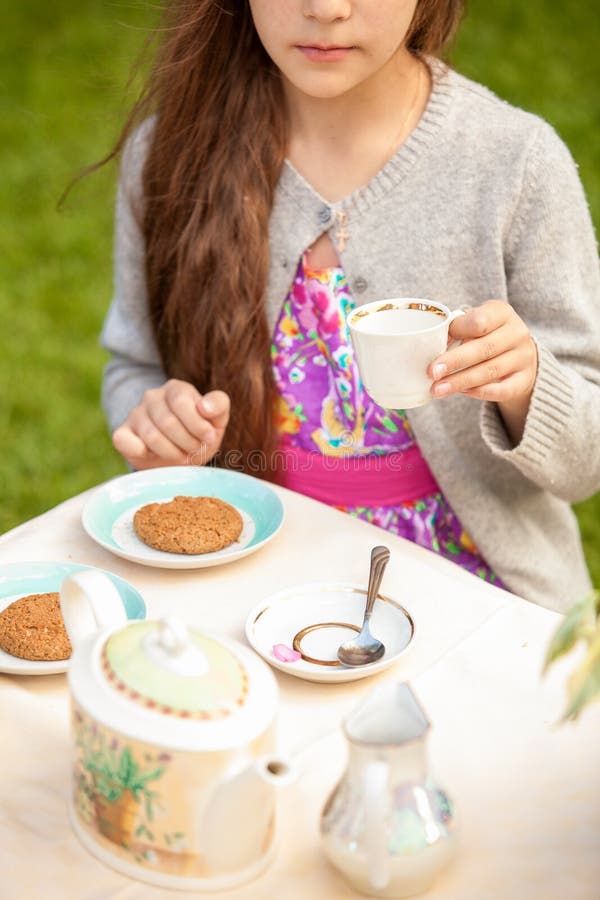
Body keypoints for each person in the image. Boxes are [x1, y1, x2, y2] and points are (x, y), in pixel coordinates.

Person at [99, 0, 600, 612]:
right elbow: (134, 368)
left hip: (481, 600)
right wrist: (154, 422)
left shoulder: (515, 164)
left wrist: (528, 387)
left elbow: (587, 461)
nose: (326, 9)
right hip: (252, 586)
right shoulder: (170, 155)